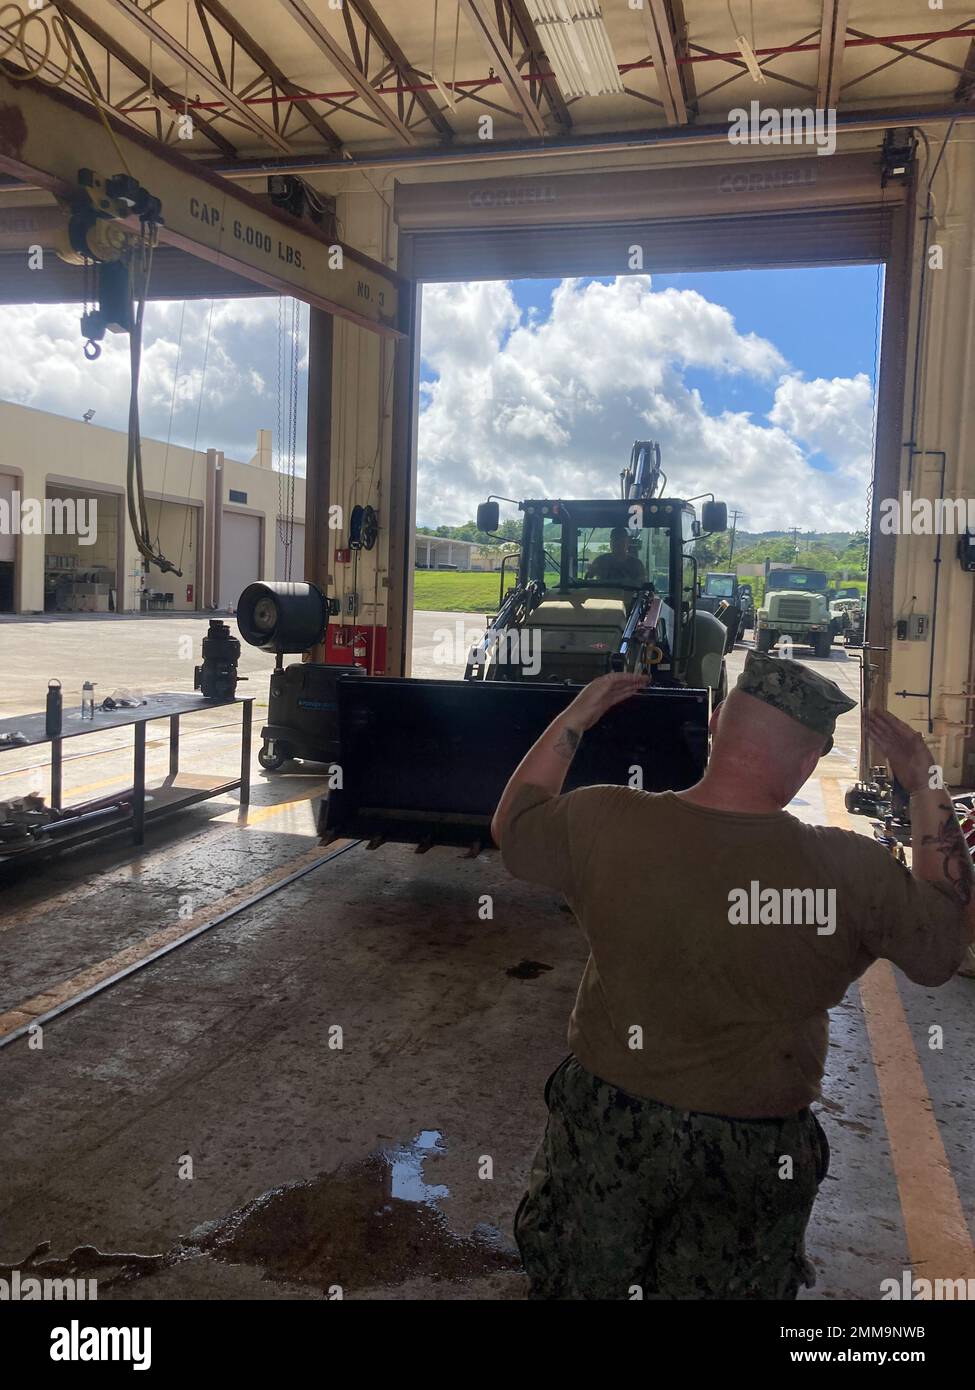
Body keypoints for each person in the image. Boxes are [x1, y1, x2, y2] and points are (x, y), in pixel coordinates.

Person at [492, 652, 973, 1300]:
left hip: (606, 1120)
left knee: (576, 1284)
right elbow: (941, 947)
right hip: (755, 1142)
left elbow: (515, 826)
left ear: (716, 723)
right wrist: (924, 783)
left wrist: (576, 715)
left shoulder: (604, 820)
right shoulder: (850, 869)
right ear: (809, 762)